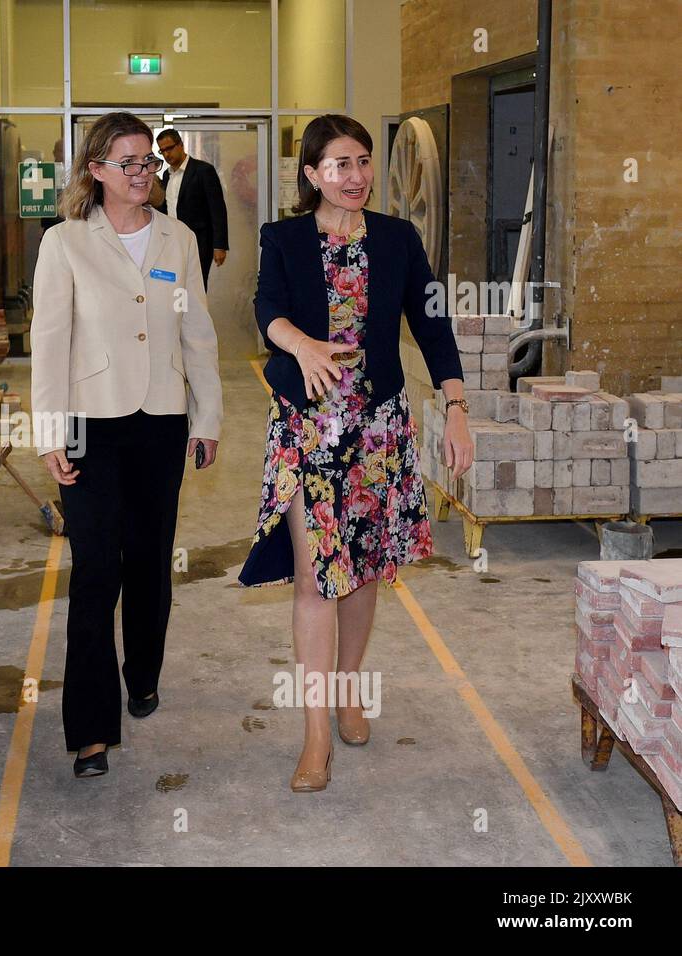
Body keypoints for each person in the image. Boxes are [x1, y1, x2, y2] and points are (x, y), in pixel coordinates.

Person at [238, 114, 475, 793]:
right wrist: (301, 345)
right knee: (317, 579)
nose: (356, 176)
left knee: (364, 569)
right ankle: (315, 736)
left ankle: (348, 690)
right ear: (311, 174)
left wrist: (456, 409)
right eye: (339, 164)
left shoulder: (398, 239)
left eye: (363, 161)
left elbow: (432, 322)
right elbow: (267, 306)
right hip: (309, 429)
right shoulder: (283, 237)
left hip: (377, 429)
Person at [32, 111, 223, 779]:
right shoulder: (64, 243)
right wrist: (50, 431)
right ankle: (89, 729)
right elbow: (49, 344)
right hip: (90, 420)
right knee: (94, 570)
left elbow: (198, 333)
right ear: (97, 171)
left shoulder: (179, 239)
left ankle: (142, 674)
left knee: (147, 562)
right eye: (129, 162)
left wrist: (208, 419)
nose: (143, 172)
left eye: (149, 161)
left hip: (160, 420)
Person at [154, 129, 229, 290]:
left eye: (170, 148)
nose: (166, 154)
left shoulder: (203, 171)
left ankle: (197, 315)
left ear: (181, 145)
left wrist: (219, 245)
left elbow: (217, 209)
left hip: (199, 240)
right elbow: (167, 207)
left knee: (197, 285)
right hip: (172, 240)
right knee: (175, 284)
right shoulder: (167, 175)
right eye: (162, 151)